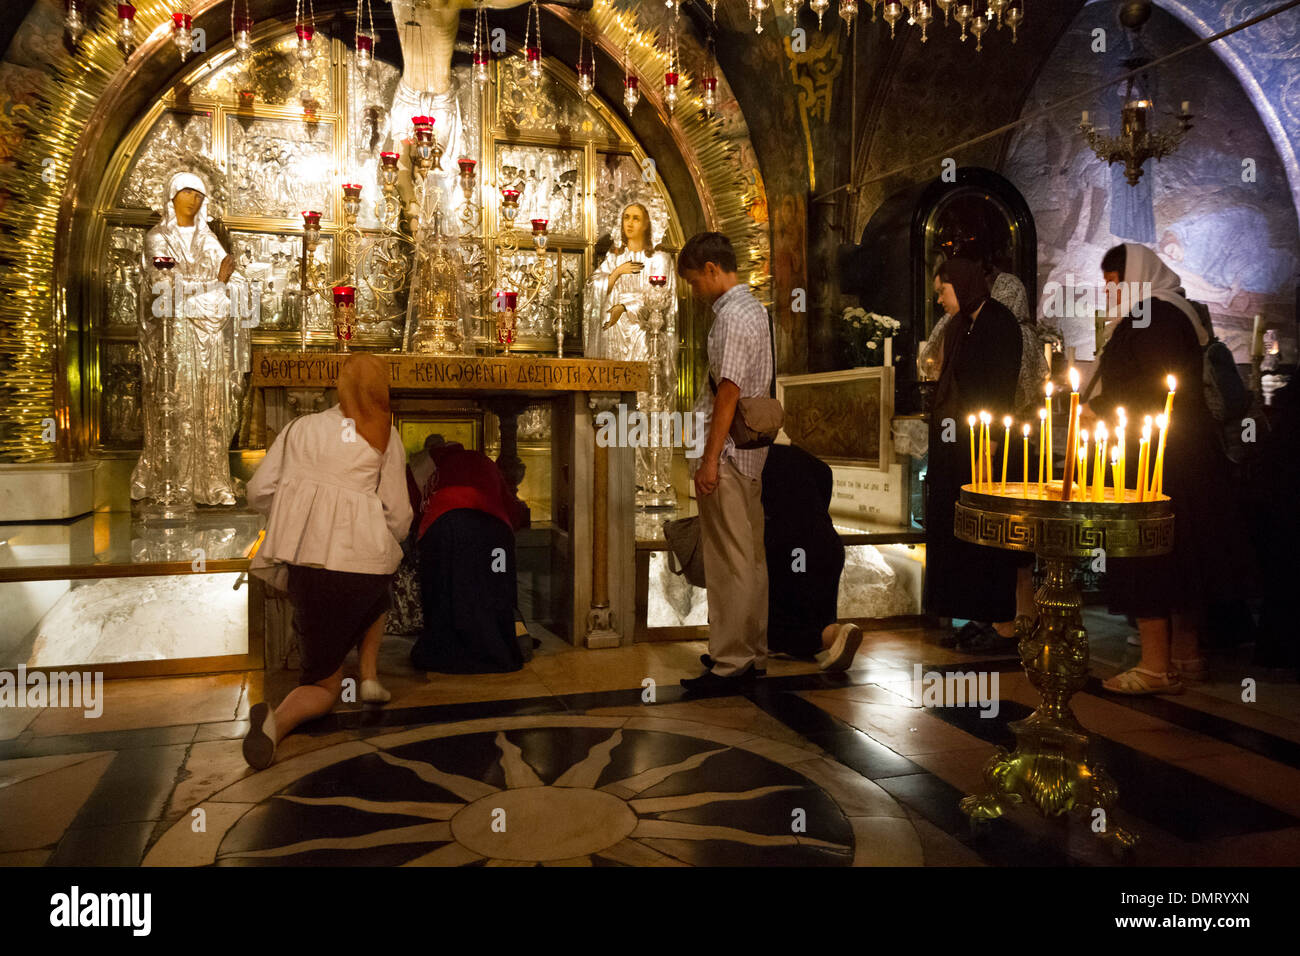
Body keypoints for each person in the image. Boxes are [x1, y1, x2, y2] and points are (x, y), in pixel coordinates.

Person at [1086, 243, 1255, 694]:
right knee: (1182, 553)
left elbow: (1155, 386)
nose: (1108, 291)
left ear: (1135, 275)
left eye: (1112, 282)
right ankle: (1185, 654)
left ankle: (1156, 666)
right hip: (1180, 452)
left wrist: (1100, 407)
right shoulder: (1172, 311)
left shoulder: (1154, 315)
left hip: (1159, 457)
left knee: (1152, 552)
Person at [242, 353, 412, 769]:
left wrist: (299, 516)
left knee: (324, 671)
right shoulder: (385, 435)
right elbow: (399, 514)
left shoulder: (299, 427)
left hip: (308, 568)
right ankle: (282, 722)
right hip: (364, 571)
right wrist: (385, 538)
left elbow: (259, 491)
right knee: (379, 583)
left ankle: (352, 682)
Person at [677, 232, 773, 692]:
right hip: (750, 454)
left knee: (729, 558)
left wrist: (709, 459)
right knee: (750, 556)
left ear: (712, 269)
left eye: (695, 281)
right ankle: (750, 651)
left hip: (730, 453)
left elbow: (729, 390)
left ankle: (730, 661)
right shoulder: (754, 309)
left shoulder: (732, 316)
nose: (695, 292)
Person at [924, 258, 1026, 643]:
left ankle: (1001, 621)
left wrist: (991, 445)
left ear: (962, 285)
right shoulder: (961, 324)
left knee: (989, 533)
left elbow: (998, 388)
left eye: (942, 290)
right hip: (961, 444)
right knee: (963, 532)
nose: (939, 299)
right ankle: (975, 615)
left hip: (990, 447)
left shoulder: (998, 322)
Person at [134, 171, 249, 506]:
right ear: (172, 197)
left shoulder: (207, 239)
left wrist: (223, 284)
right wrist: (212, 284)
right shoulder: (158, 237)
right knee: (181, 405)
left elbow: (232, 277)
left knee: (213, 406)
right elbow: (162, 289)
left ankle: (211, 480)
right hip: (176, 337)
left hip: (210, 335)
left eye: (199, 194)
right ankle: (176, 481)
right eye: (187, 192)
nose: (194, 199)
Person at [410, 442, 528, 673]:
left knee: (446, 589)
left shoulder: (429, 468)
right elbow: (510, 506)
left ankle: (446, 651)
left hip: (445, 530)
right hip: (495, 534)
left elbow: (413, 508)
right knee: (495, 586)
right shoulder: (482, 460)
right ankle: (498, 648)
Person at [759, 442, 863, 671]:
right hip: (826, 542)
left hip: (794, 548)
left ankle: (833, 637)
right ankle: (836, 636)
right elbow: (826, 472)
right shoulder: (795, 455)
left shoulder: (752, 459)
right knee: (817, 611)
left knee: (784, 625)